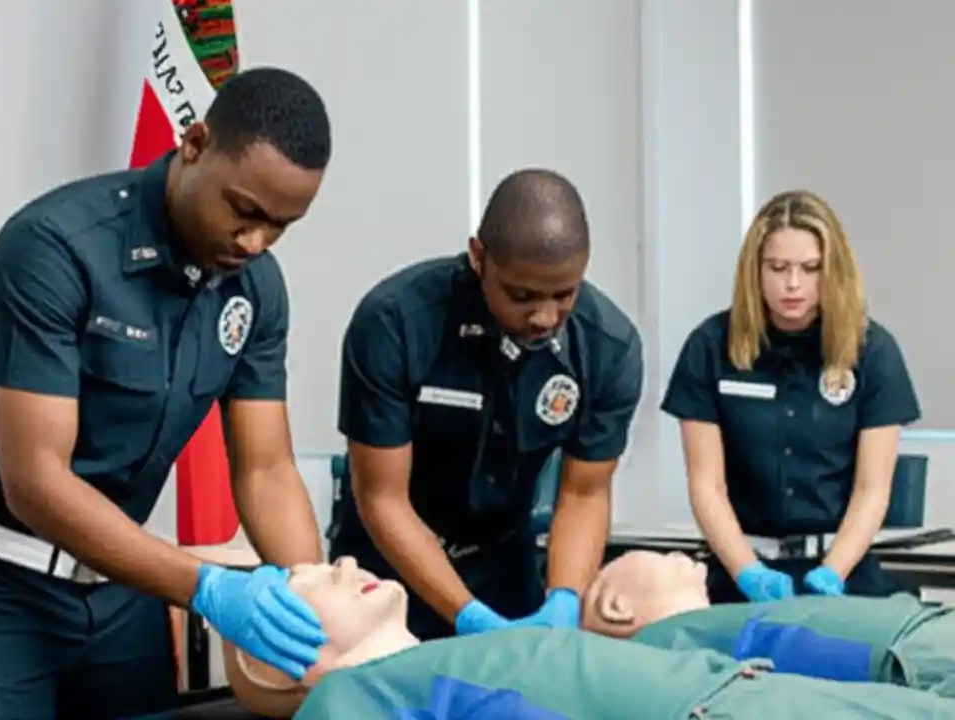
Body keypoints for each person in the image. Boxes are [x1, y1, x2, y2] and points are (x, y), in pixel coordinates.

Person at [0, 66, 334, 720]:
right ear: (193, 144)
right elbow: (38, 481)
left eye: (282, 225)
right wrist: (209, 589)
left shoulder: (255, 289)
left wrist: (315, 600)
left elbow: (267, 468)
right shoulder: (55, 247)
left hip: (119, 588)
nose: (256, 241)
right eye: (244, 211)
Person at [327, 169, 644, 640]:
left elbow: (583, 493)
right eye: (521, 295)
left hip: (504, 566)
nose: (544, 317)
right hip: (385, 565)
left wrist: (564, 599)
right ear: (478, 257)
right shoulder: (396, 322)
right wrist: (465, 615)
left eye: (564, 295)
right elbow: (381, 496)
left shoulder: (608, 346)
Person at [223, 557, 955, 719]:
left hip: (752, 693)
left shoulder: (432, 665)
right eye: (311, 577)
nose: (345, 560)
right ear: (272, 655)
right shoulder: (348, 699)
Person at [661, 190, 921, 605]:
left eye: (810, 268)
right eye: (778, 268)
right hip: (740, 570)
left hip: (841, 571)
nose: (793, 284)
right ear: (755, 270)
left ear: (833, 270)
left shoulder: (873, 351)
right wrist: (747, 571)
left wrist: (833, 573)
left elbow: (871, 490)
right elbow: (706, 484)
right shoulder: (709, 346)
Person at [582, 549, 955, 696]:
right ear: (616, 606)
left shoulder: (721, 631)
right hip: (922, 658)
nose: (679, 553)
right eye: (661, 557)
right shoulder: (680, 657)